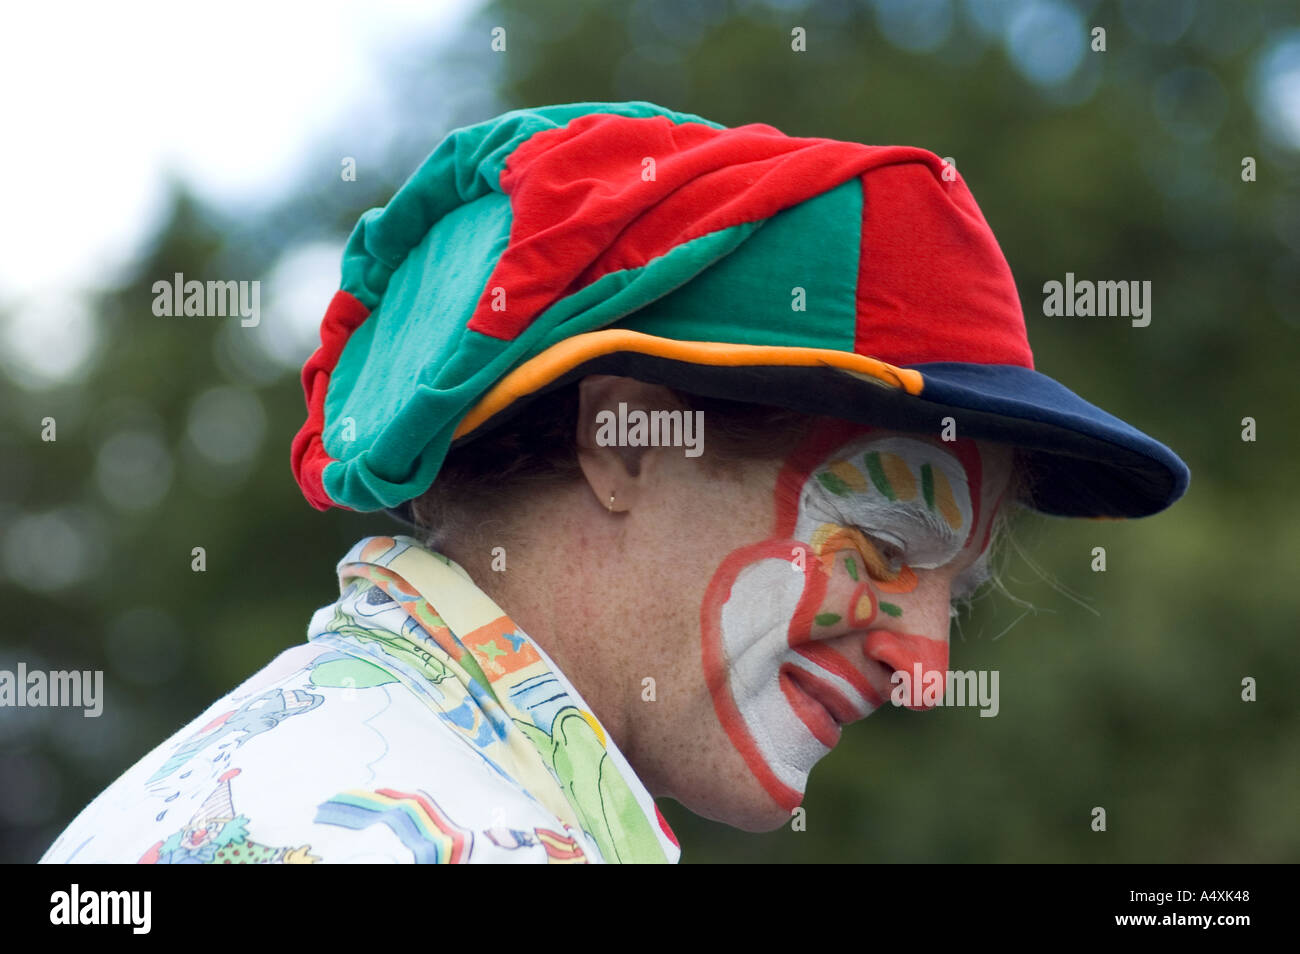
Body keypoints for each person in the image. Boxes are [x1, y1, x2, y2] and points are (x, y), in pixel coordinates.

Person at [41, 102, 1188, 864]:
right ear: (627, 438)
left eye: (960, 592)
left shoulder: (279, 773)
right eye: (884, 539)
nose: (926, 669)